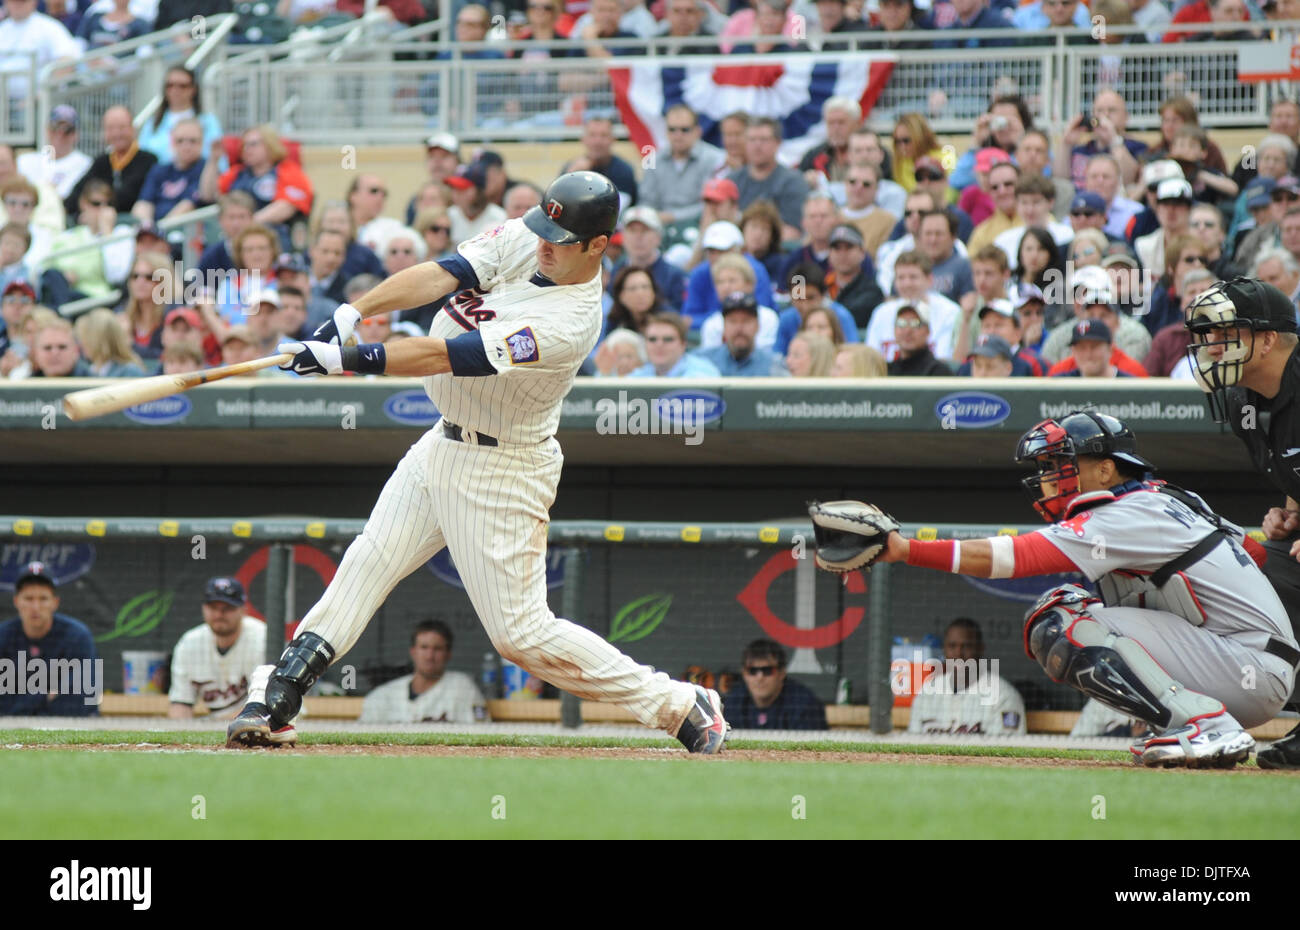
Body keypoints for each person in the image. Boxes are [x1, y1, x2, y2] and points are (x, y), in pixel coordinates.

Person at [225, 172, 730, 753]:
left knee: (521, 634)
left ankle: (676, 702)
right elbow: (445, 274)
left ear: (598, 245)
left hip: (504, 468)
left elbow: (444, 355)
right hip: (441, 443)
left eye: (560, 238)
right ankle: (280, 695)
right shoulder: (531, 233)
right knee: (369, 561)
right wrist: (353, 311)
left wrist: (345, 359)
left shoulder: (567, 323)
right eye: (544, 227)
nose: (544, 242)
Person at [861, 411, 1296, 768]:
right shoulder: (1169, 498)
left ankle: (1203, 724)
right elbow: (1256, 560)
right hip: (1245, 660)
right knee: (1072, 605)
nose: (1050, 477)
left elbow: (1015, 558)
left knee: (1061, 621)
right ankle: (1203, 730)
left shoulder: (1127, 511)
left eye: (1060, 464)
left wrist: (905, 549)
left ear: (1106, 468)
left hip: (1245, 667)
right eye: (1047, 467)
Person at [1184, 277, 1300, 767]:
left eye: (1223, 333)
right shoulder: (1243, 402)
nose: (1211, 346)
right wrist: (1290, 514)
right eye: (1206, 335)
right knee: (1248, 574)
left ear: (1268, 339)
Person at [0, 561, 98, 716]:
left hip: (73, 731)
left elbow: (82, 701)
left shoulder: (77, 636)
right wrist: (46, 695)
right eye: (29, 598)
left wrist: (25, 702)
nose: (36, 607)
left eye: (43, 599)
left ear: (55, 603)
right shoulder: (3, 636)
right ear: (16, 601)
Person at [167, 577, 267, 720]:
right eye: (213, 608)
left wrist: (212, 725)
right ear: (203, 608)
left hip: (270, 723)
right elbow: (180, 703)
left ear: (243, 610)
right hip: (218, 725)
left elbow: (264, 706)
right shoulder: (189, 643)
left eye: (227, 608)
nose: (219, 614)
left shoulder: (261, 639)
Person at [906, 618, 1027, 735]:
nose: (958, 653)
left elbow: (1007, 751)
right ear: (944, 650)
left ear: (980, 649)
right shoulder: (927, 693)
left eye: (967, 646)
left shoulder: (1003, 696)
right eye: (952, 646)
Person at [359, 620, 487, 724]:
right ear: (413, 651)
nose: (429, 656)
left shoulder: (462, 688)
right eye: (424, 647)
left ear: (448, 654)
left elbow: (483, 733)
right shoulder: (382, 696)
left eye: (437, 649)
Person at [638, 103, 725, 230]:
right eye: (672, 129)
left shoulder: (714, 159)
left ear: (697, 131)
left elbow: (711, 205)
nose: (678, 135)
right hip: (658, 229)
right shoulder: (654, 160)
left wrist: (673, 216)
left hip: (699, 227)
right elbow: (646, 202)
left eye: (684, 130)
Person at [65, 106, 158, 215]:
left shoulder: (148, 160)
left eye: (121, 127)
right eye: (110, 128)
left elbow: (129, 195)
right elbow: (78, 192)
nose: (116, 133)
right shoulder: (102, 162)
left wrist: (95, 203)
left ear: (133, 128)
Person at [721, 639, 828, 730]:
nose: (760, 677)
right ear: (744, 674)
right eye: (752, 671)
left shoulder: (804, 704)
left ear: (782, 673)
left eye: (767, 670)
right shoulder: (733, 703)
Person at [729, 117, 807, 241]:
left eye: (764, 140)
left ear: (777, 143)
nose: (757, 145)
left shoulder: (792, 181)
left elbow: (792, 232)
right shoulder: (732, 180)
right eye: (752, 140)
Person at [137, 66, 224, 166]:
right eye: (170, 85)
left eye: (182, 86)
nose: (175, 90)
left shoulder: (208, 122)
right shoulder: (153, 123)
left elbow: (218, 159)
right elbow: (142, 157)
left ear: (193, 89)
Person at [693, 291, 788, 376]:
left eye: (746, 321)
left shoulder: (773, 365)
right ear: (724, 326)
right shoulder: (702, 361)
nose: (739, 328)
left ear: (757, 326)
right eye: (733, 321)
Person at [132, 118, 206, 226]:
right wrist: (147, 227)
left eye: (192, 141)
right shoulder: (159, 170)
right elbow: (143, 203)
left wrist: (160, 232)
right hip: (154, 232)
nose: (186, 146)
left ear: (202, 143)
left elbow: (188, 205)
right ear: (172, 141)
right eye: (180, 141)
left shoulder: (206, 170)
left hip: (184, 232)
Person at [616, 205, 686, 311]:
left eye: (645, 230)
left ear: (658, 237)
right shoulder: (617, 271)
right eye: (632, 231)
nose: (638, 237)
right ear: (623, 237)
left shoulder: (673, 275)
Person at [17, 105, 91, 203]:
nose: (60, 133)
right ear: (47, 130)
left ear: (76, 134)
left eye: (67, 130)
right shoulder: (24, 161)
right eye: (55, 128)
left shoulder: (86, 164)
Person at [561, 117, 638, 209]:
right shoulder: (572, 169)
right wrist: (571, 178)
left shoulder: (623, 171)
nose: (598, 142)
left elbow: (619, 209)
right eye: (592, 135)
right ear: (583, 139)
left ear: (613, 139)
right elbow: (560, 204)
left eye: (604, 135)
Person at [444, 161, 508, 248]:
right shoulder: (449, 215)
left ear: (479, 191)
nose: (456, 194)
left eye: (462, 189)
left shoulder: (499, 216)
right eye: (453, 188)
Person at [886, 302, 952, 375]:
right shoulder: (886, 370)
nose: (907, 330)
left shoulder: (938, 372)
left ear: (928, 331)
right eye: (901, 323)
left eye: (915, 324)